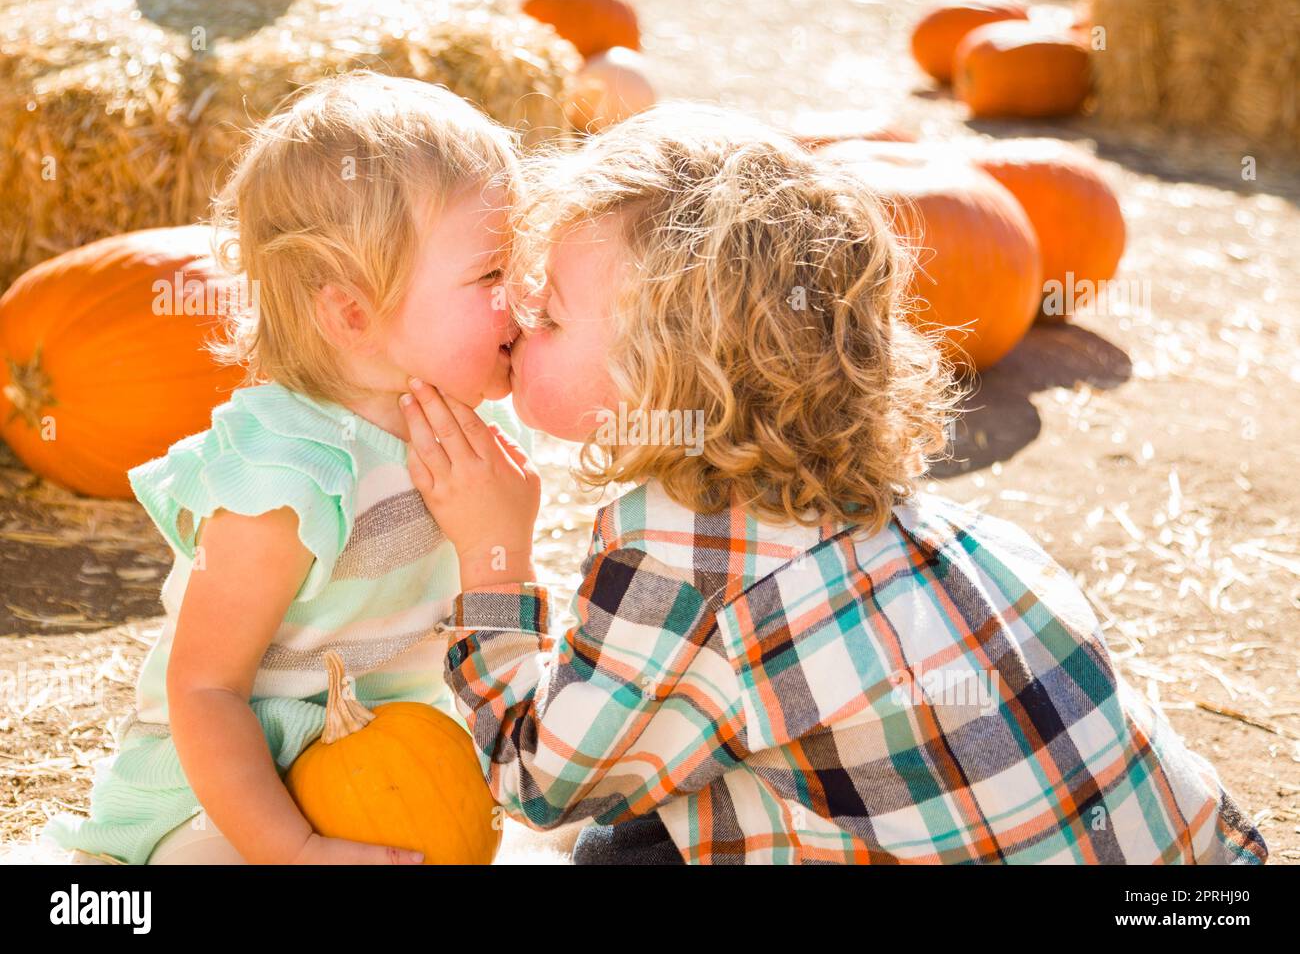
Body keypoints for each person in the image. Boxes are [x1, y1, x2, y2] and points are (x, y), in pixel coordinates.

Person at [400, 102, 1268, 864]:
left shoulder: (680, 554)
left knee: (617, 845)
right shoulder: (890, 507)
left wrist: (493, 560)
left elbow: (537, 781)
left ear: (672, 378)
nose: (517, 321)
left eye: (547, 315)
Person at [41, 71, 530, 865]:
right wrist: (294, 849)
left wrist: (501, 548)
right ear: (352, 314)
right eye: (490, 277)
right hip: (235, 792)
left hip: (396, 761)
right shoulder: (287, 481)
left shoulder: (480, 435)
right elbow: (204, 692)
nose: (525, 295)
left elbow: (489, 643)